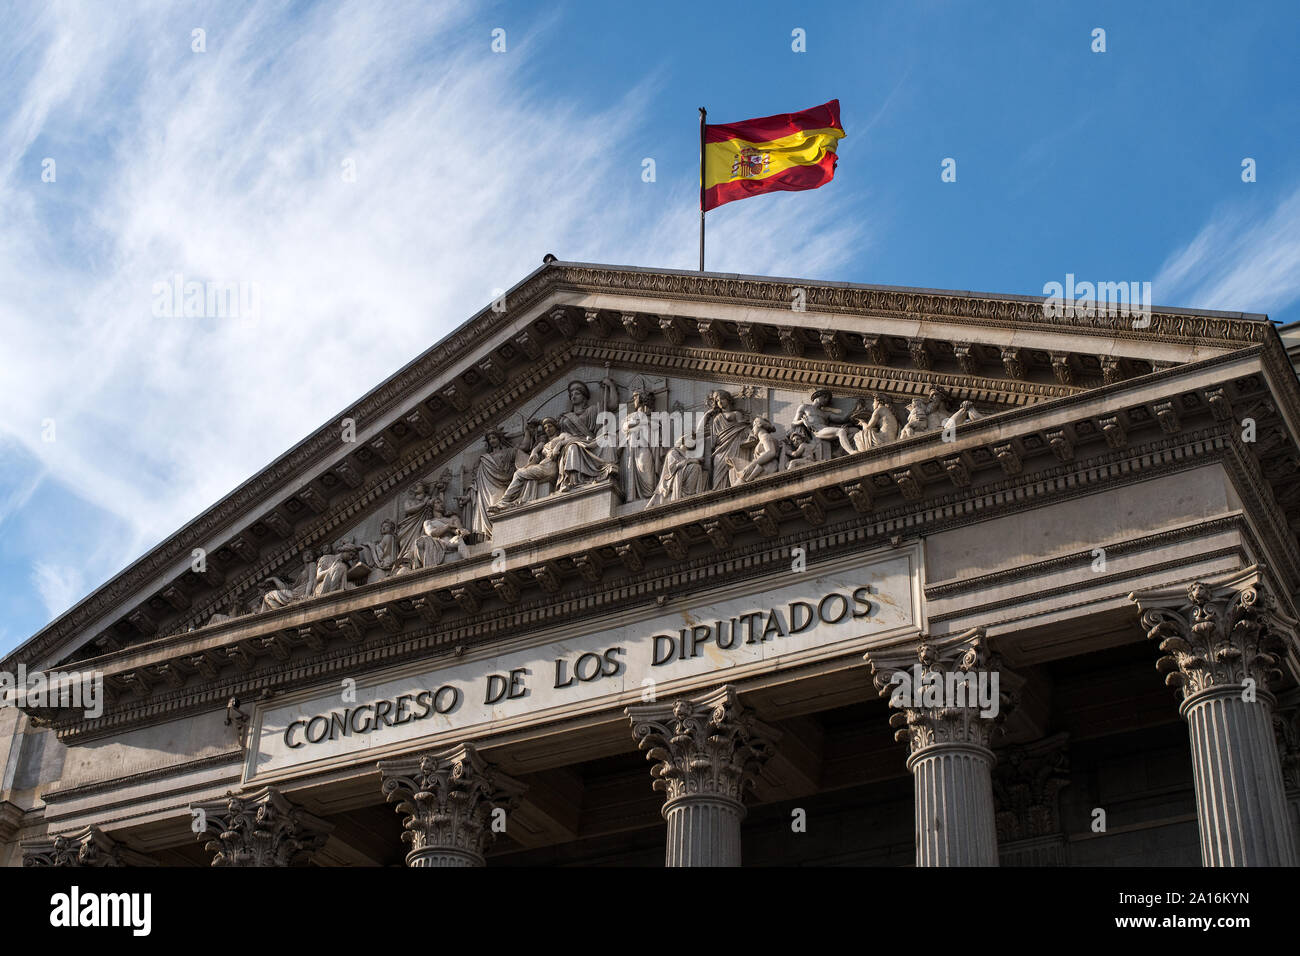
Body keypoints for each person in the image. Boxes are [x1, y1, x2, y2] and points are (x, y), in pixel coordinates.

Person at [492, 418, 564, 511]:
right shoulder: (544, 443)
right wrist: (534, 452)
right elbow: (536, 449)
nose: (548, 429)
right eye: (545, 428)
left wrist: (559, 445)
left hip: (550, 468)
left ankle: (504, 501)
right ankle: (506, 500)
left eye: (550, 426)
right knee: (520, 472)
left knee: (518, 474)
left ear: (556, 427)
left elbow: (572, 439)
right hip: (542, 467)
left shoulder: (561, 436)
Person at [460, 428, 516, 537]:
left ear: (500, 439)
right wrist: (469, 496)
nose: (492, 440)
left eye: (494, 437)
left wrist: (529, 432)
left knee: (500, 506)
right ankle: (489, 535)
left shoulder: (508, 452)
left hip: (501, 485)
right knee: (488, 510)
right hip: (485, 489)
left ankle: (504, 532)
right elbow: (477, 482)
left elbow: (524, 447)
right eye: (489, 439)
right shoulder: (484, 459)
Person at [701, 389, 750, 490]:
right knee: (718, 476)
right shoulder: (717, 419)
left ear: (728, 399)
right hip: (720, 449)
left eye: (722, 399)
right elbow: (714, 439)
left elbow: (743, 428)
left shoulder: (736, 414)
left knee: (734, 468)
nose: (720, 402)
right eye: (717, 401)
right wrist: (707, 415)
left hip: (735, 445)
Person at [621, 390, 661, 501]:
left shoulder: (653, 417)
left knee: (645, 469)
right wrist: (641, 422)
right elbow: (625, 427)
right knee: (632, 472)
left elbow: (656, 430)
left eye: (635, 398)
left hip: (645, 447)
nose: (634, 401)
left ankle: (649, 496)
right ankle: (634, 498)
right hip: (632, 450)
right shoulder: (631, 416)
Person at [646, 434, 707, 508]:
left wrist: (693, 460)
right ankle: (687, 493)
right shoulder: (673, 452)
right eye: (690, 440)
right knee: (695, 467)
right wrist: (691, 460)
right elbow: (673, 468)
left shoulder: (686, 454)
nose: (692, 442)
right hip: (671, 478)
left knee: (700, 470)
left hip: (683, 475)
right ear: (683, 441)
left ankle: (690, 493)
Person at [792, 388, 854, 455]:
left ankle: (839, 452)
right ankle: (851, 452)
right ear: (817, 396)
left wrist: (854, 410)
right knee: (840, 431)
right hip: (817, 432)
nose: (826, 400)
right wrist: (803, 421)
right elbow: (794, 423)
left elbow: (842, 419)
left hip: (825, 430)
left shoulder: (825, 413)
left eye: (827, 398)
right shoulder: (804, 407)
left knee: (854, 430)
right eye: (824, 397)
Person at [730, 416, 780, 483]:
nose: (752, 430)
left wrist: (751, 465)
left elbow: (771, 452)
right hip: (762, 467)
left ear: (759, 424)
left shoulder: (765, 436)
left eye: (754, 426)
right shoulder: (764, 438)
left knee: (739, 483)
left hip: (767, 467)